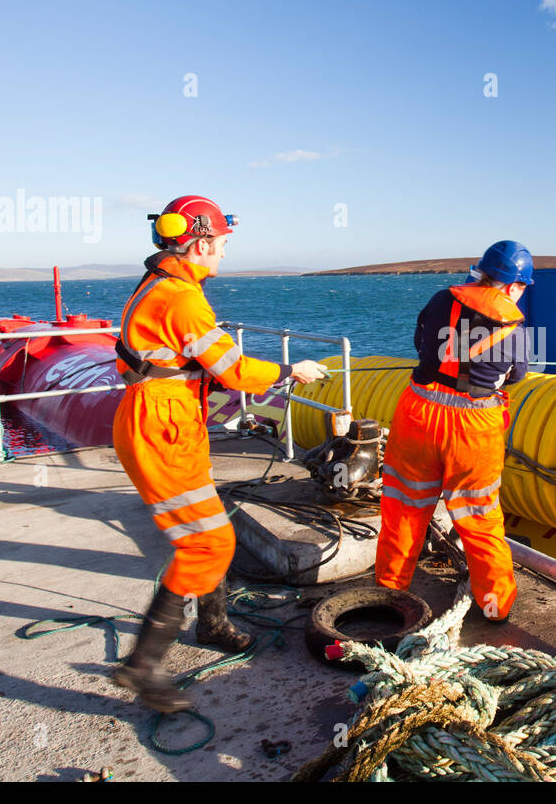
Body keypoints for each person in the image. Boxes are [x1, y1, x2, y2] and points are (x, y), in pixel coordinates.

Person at [111, 195, 326, 713]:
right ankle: (143, 665)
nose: (225, 253)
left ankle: (212, 624)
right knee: (206, 544)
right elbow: (231, 369)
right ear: (200, 241)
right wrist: (289, 372)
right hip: (162, 427)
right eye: (224, 243)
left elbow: (177, 358)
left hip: (168, 417)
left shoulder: (162, 285)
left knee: (212, 533)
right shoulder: (183, 299)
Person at [375, 240, 533, 623]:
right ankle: (495, 608)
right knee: (479, 518)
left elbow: (420, 342)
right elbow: (517, 375)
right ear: (513, 286)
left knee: (404, 508)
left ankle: (389, 592)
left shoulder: (440, 298)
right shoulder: (514, 324)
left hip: (418, 413)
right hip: (473, 428)